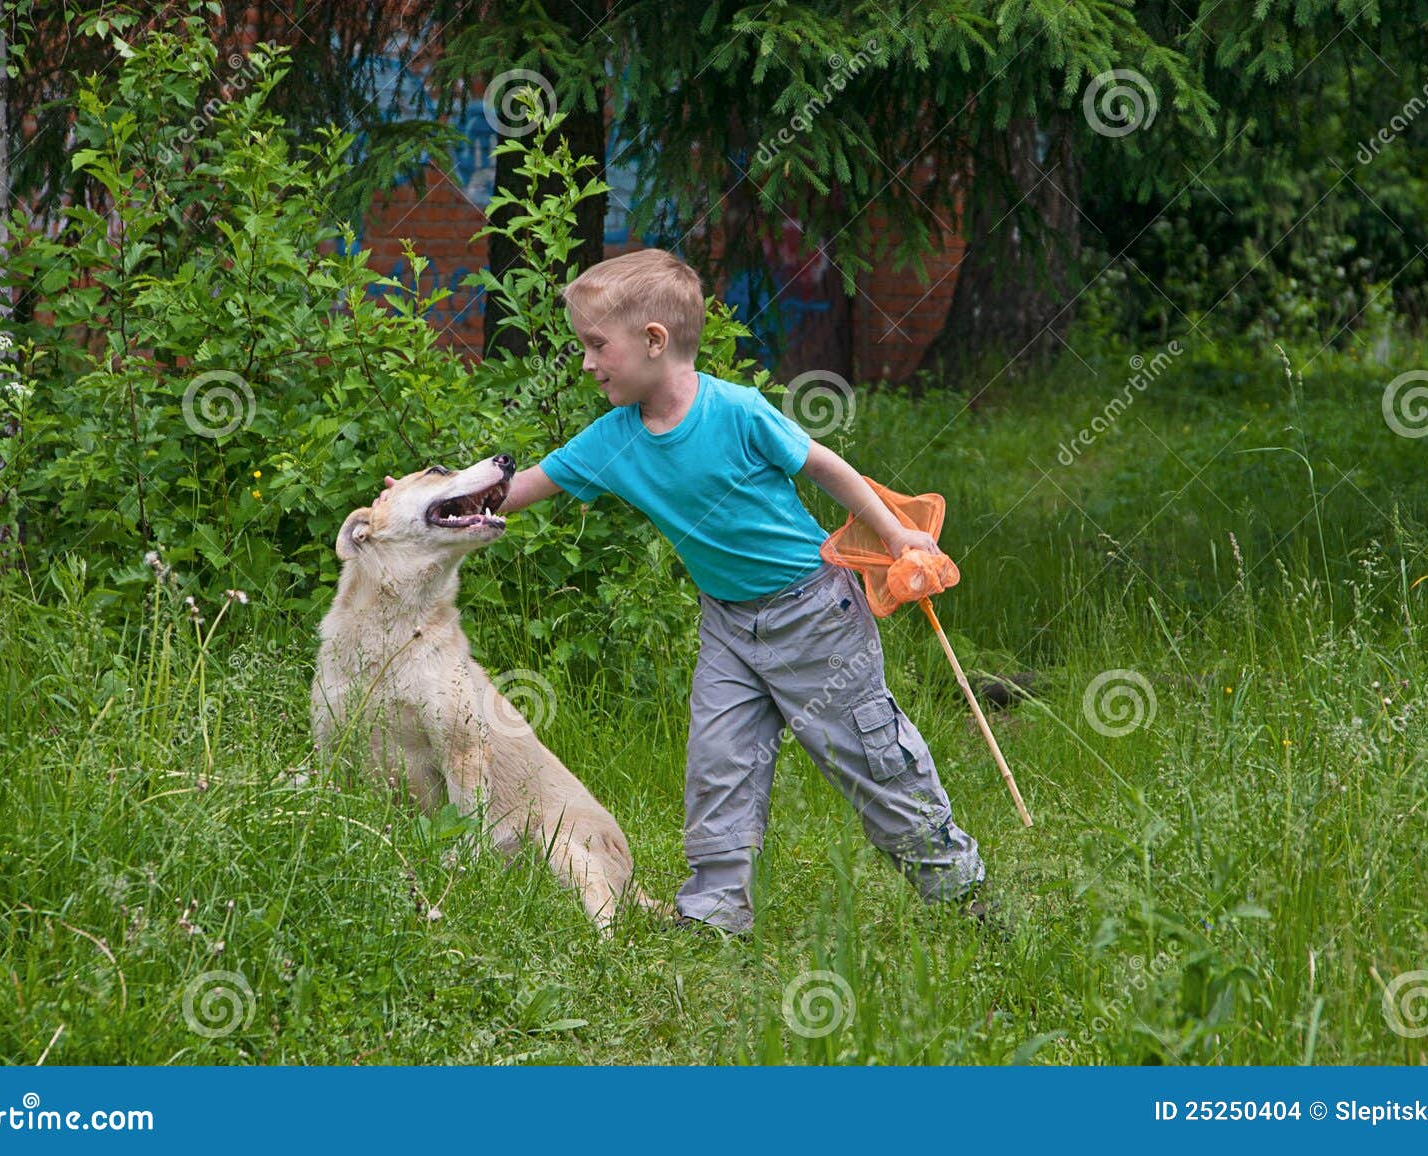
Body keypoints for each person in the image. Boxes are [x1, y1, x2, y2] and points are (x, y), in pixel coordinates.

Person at [383, 248, 988, 936]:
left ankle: (958, 887)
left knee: (869, 757)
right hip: (728, 628)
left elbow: (825, 466)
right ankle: (714, 915)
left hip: (817, 615)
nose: (585, 362)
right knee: (718, 764)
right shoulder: (611, 440)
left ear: (653, 341)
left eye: (594, 345)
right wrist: (423, 503)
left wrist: (897, 535)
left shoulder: (736, 412)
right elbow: (514, 491)